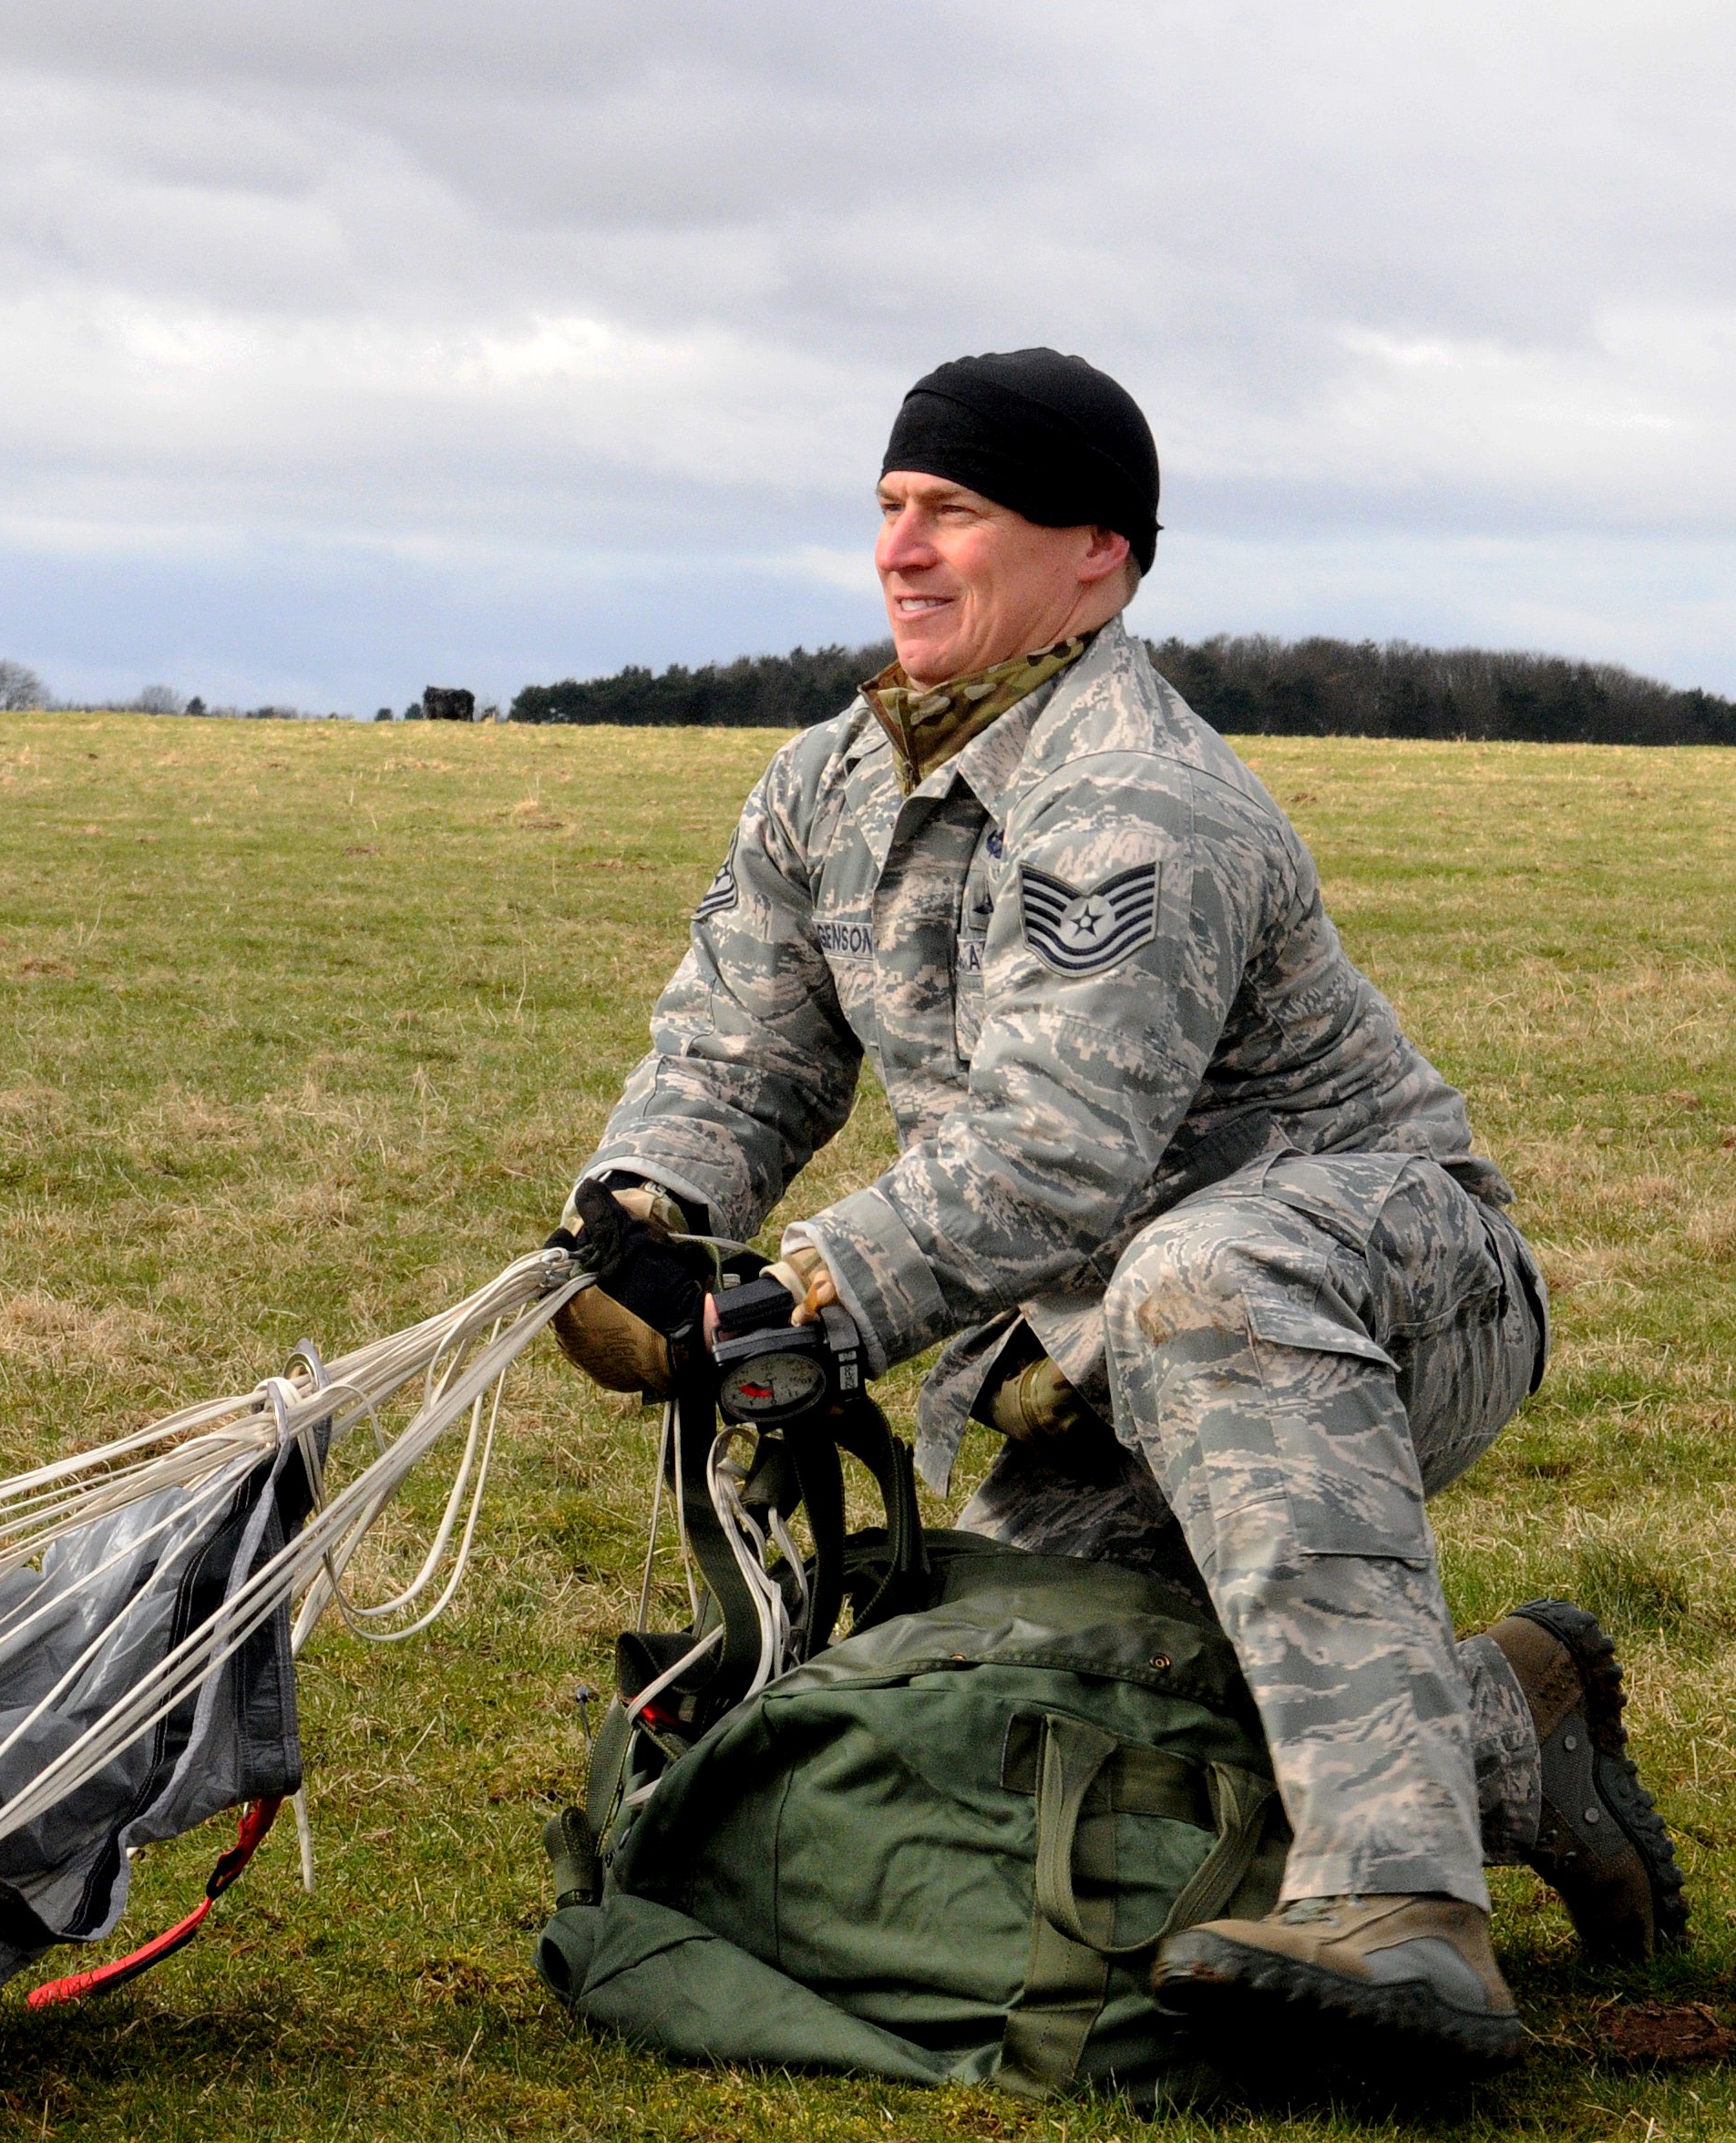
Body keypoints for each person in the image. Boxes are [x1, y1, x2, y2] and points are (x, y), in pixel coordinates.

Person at [549, 349, 1683, 2075]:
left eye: (956, 512)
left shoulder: (1142, 803)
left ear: (1099, 552)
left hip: (1374, 1295)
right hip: (1083, 1370)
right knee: (1022, 1692)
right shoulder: (824, 789)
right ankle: (1508, 1737)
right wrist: (638, 1218)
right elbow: (737, 1054)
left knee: (1194, 1269)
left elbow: (1053, 1156)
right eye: (889, 509)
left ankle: (1404, 1910)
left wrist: (812, 1297)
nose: (903, 549)